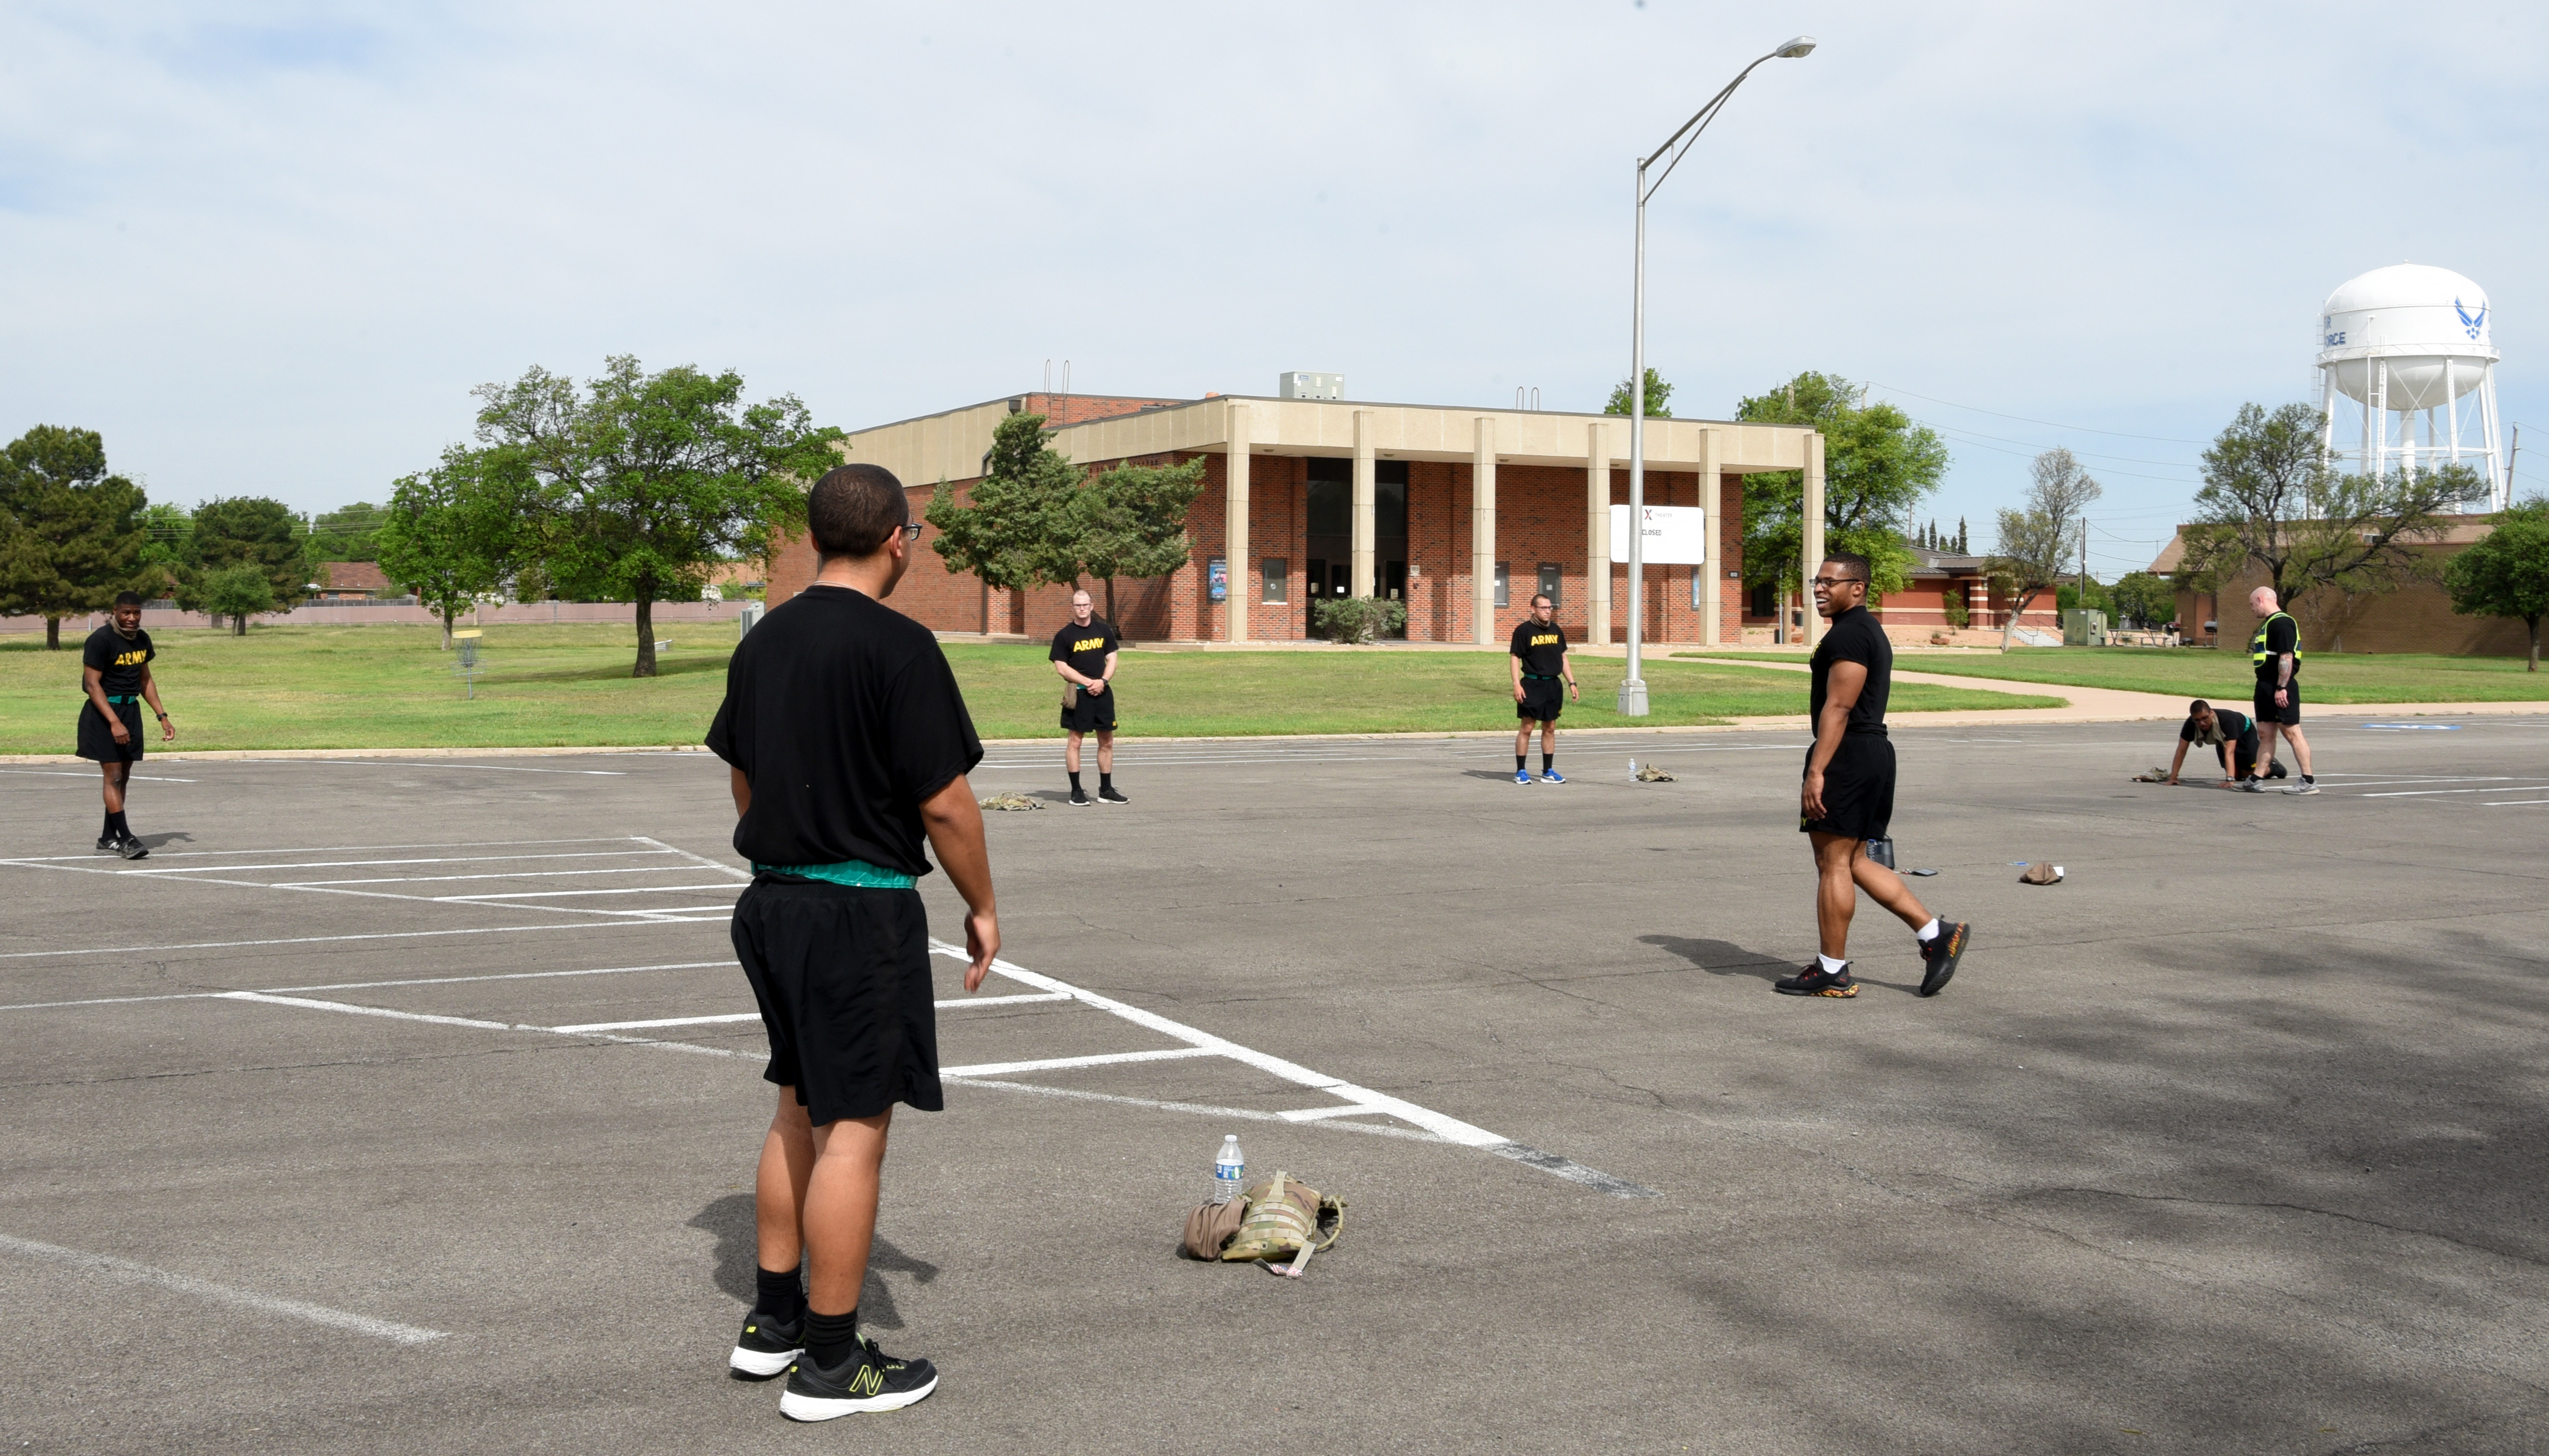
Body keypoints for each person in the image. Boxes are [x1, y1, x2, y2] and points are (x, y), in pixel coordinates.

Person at [705, 463, 1000, 1422]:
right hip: (856, 911)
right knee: (854, 1128)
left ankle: (774, 1319)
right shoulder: (899, 645)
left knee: (797, 1105)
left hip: (772, 903)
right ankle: (832, 1362)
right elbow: (945, 801)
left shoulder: (765, 638)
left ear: (815, 535)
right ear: (896, 538)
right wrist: (982, 903)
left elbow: (745, 778)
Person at [1781, 552, 1970, 1000]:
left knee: (1832, 864)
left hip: (1848, 755)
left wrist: (1816, 771)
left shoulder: (1850, 634)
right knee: (1854, 861)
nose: (1819, 588)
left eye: (1829, 582)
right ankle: (1935, 934)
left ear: (1857, 588)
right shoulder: (1863, 629)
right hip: (1869, 754)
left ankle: (1832, 971)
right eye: (1816, 581)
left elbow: (1839, 706)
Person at [79, 591, 174, 859]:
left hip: (131, 710)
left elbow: (145, 680)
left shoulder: (142, 640)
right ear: (115, 612)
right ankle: (127, 838)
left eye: (137, 612)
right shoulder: (100, 640)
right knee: (114, 776)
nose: (132, 618)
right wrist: (114, 722)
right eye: (126, 613)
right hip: (105, 713)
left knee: (124, 776)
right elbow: (92, 685)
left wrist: (162, 716)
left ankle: (108, 838)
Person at [1049, 591, 1127, 805]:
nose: (1082, 608)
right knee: (1075, 741)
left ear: (1092, 606)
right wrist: (1088, 682)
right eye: (1078, 605)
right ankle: (1076, 792)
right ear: (1073, 607)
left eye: (1085, 605)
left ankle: (1106, 790)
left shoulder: (1104, 631)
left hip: (1102, 692)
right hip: (1078, 694)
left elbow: (1112, 659)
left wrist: (1103, 681)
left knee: (1107, 741)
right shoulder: (1064, 635)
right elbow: (1061, 667)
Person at [2245, 585, 2317, 794]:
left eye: (2252, 604)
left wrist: (2281, 687)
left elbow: (2287, 657)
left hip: (2280, 686)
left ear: (2261, 599)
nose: (2252, 609)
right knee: (2265, 733)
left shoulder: (2282, 623)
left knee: (2292, 732)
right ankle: (2257, 778)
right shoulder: (2269, 624)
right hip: (2265, 686)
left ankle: (2308, 780)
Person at [1508, 593, 1578, 784]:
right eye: (1544, 608)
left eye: (1550, 608)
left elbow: (1563, 658)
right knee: (1527, 727)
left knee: (1550, 727)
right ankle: (1521, 771)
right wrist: (1516, 684)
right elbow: (1515, 657)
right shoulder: (1524, 631)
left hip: (1553, 685)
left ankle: (1548, 771)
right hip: (1532, 684)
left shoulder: (1556, 630)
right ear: (1534, 609)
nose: (1548, 611)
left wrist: (1572, 683)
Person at [2166, 699, 2281, 786]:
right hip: (2222, 739)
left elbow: (2229, 752)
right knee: (2237, 776)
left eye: (2205, 718)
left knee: (2249, 774)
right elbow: (2181, 750)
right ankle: (2241, 771)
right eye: (2198, 720)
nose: (2202, 723)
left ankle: (2274, 767)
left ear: (2211, 714)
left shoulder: (2227, 721)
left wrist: (2229, 780)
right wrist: (2173, 777)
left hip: (2245, 732)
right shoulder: (2191, 724)